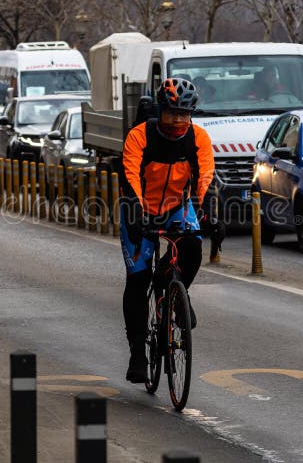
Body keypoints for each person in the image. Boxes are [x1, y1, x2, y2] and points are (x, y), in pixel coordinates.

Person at [119, 78, 215, 383]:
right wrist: (135, 211)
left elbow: (205, 178)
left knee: (192, 248)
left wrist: (210, 212)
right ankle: (137, 354)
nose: (179, 120)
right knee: (137, 279)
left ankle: (175, 296)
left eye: (186, 114)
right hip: (139, 205)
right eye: (173, 113)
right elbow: (129, 173)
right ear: (160, 110)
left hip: (177, 205)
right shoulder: (140, 136)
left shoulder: (198, 138)